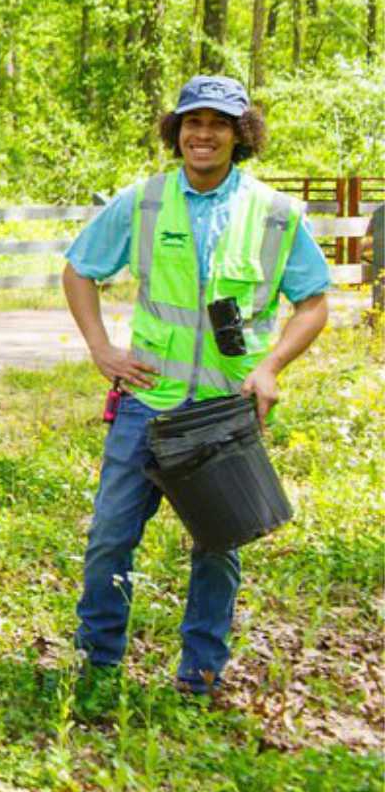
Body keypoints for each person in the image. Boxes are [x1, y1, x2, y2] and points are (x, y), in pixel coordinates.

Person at [63, 75, 329, 695]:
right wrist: (102, 349)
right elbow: (79, 271)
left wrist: (269, 369)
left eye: (217, 124)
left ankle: (201, 674)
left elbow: (313, 303)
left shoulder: (274, 213)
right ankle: (99, 666)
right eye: (191, 122)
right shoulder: (146, 201)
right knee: (110, 537)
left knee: (218, 544)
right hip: (147, 404)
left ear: (241, 135)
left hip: (224, 409)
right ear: (176, 131)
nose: (202, 134)